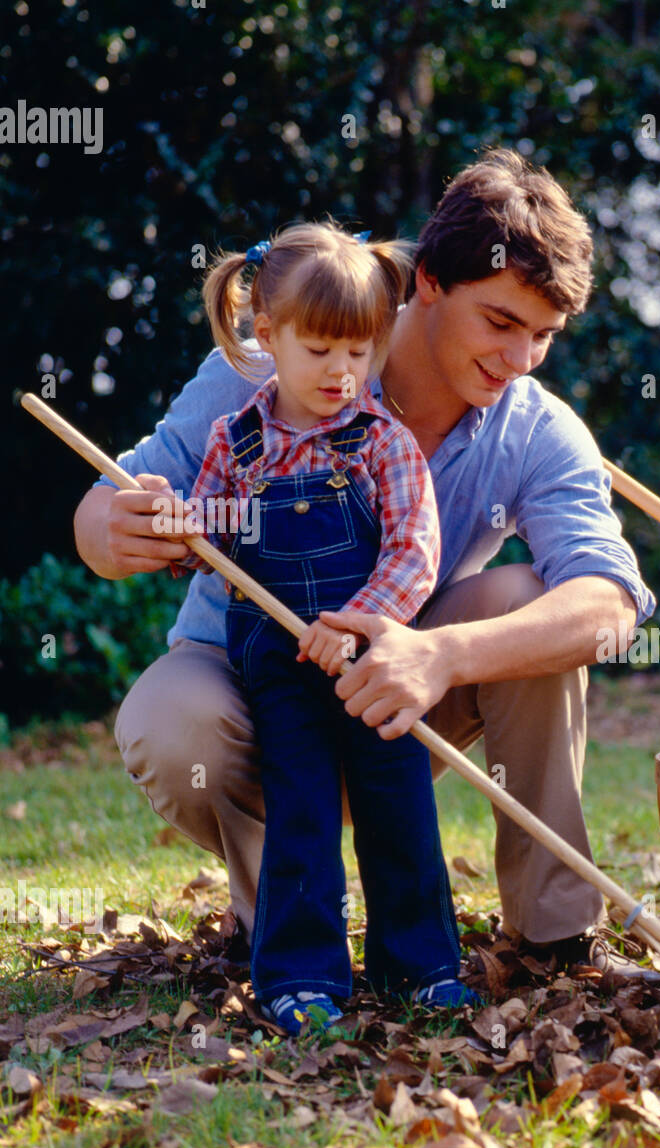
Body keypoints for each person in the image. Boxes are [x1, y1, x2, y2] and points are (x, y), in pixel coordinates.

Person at [73, 151, 656, 977]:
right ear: (427, 285)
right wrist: (116, 532)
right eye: (499, 322)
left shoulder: (537, 426)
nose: (521, 358)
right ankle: (277, 922)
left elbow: (611, 603)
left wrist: (442, 653)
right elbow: (102, 508)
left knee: (532, 599)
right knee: (173, 724)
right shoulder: (262, 371)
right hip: (255, 680)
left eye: (544, 336)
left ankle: (555, 934)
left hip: (398, 695)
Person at [163, 222, 477, 1034]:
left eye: (360, 353)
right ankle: (300, 976)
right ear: (268, 337)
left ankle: (421, 966)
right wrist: (182, 528)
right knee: (299, 806)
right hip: (278, 665)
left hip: (373, 663)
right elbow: (215, 537)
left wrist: (364, 623)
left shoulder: (382, 444)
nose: (343, 373)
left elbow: (414, 551)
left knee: (397, 800)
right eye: (320, 352)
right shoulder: (238, 445)